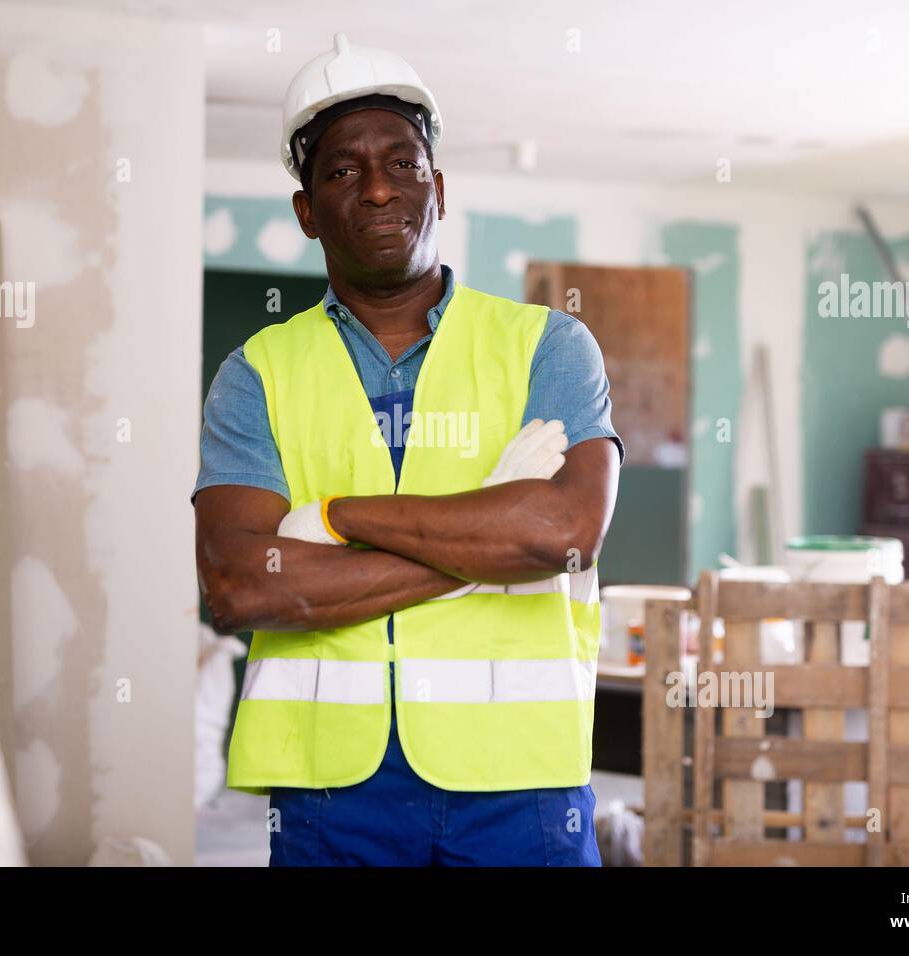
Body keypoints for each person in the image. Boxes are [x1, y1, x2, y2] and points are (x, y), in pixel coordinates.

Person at [192, 32, 623, 866]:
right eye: (344, 170)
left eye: (404, 161)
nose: (381, 187)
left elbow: (562, 536)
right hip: (328, 797)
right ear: (307, 210)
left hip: (520, 787)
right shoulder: (256, 375)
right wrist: (487, 542)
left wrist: (334, 516)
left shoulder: (550, 347)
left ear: (439, 187)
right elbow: (242, 583)